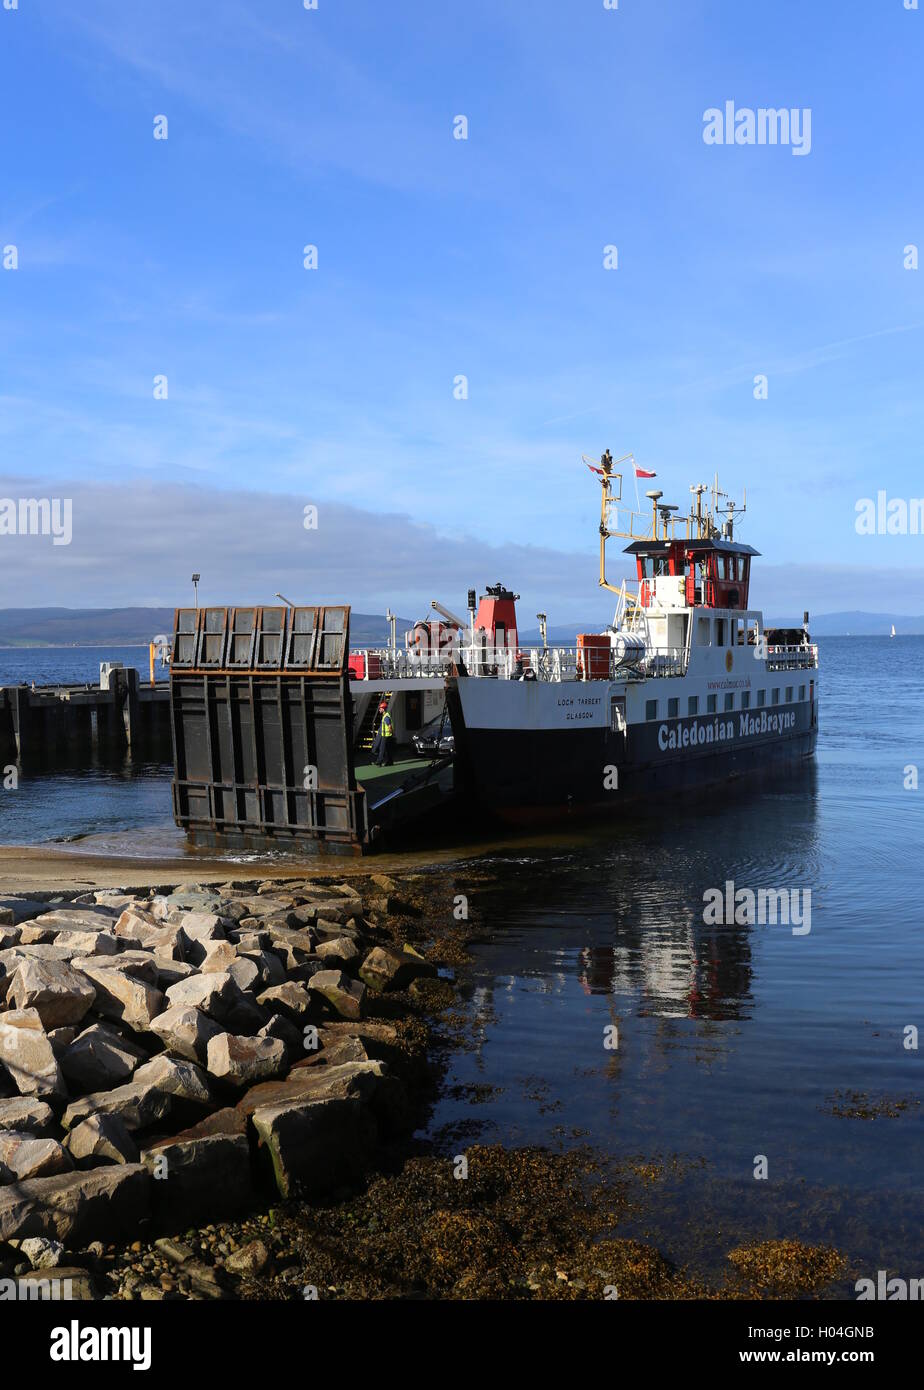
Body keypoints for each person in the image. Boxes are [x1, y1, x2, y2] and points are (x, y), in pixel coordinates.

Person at [375, 701, 395, 766]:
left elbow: (389, 726)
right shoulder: (385, 716)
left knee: (382, 749)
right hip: (388, 736)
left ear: (383, 709)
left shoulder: (386, 717)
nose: (379, 709)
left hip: (386, 736)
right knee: (388, 749)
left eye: (380, 708)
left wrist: (390, 733)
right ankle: (390, 761)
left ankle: (379, 762)